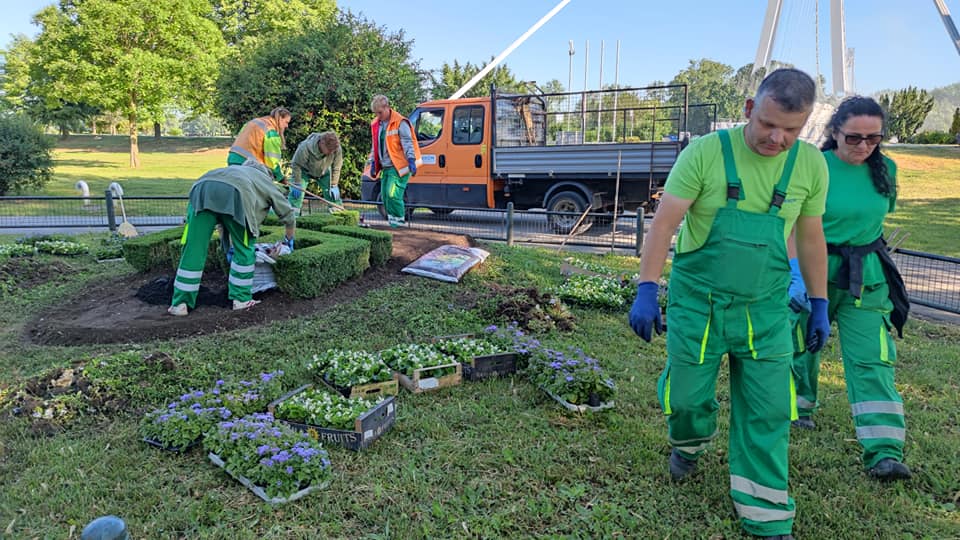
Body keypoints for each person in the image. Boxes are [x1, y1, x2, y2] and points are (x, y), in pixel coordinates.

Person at [628, 68, 831, 540]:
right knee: (688, 399)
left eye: (791, 129)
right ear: (748, 111)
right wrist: (647, 287)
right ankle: (689, 442)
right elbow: (663, 225)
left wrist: (818, 300)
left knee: (769, 408)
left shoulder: (810, 166)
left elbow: (811, 234)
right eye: (768, 124)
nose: (777, 138)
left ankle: (765, 515)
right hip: (700, 304)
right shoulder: (705, 154)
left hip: (765, 309)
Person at [789, 96, 912, 481]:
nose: (863, 147)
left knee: (872, 358)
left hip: (866, 277)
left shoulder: (886, 170)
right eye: (854, 138)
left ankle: (884, 451)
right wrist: (795, 276)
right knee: (803, 343)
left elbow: (874, 222)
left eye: (873, 139)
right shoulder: (812, 166)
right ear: (834, 133)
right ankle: (799, 409)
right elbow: (792, 222)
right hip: (814, 269)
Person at [168, 160, 296, 316]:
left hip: (201, 188)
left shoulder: (234, 170)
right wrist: (289, 240)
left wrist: (227, 248)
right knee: (244, 248)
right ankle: (241, 300)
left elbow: (222, 221)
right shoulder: (264, 180)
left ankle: (180, 304)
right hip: (237, 192)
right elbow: (288, 213)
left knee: (193, 248)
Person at [368, 94, 422, 227]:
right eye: (376, 113)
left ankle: (399, 225)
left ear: (387, 107)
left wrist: (411, 160)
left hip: (398, 166)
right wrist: (373, 162)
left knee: (393, 195)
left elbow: (407, 143)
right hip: (386, 167)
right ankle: (394, 224)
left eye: (380, 112)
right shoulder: (377, 124)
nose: (378, 116)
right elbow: (375, 145)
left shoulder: (400, 122)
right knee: (385, 198)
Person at [228, 107, 292, 182]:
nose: (286, 126)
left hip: (232, 159)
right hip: (248, 164)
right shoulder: (271, 131)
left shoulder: (254, 122)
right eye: (286, 122)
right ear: (280, 118)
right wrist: (280, 177)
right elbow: (272, 160)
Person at [287, 131, 343, 214]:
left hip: (324, 171)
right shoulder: (305, 147)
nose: (331, 153)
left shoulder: (336, 149)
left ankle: (338, 214)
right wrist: (297, 183)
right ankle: (291, 216)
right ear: (322, 143)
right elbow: (296, 165)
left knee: (333, 196)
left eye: (333, 151)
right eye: (329, 150)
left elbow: (336, 167)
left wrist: (334, 184)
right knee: (296, 196)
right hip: (304, 171)